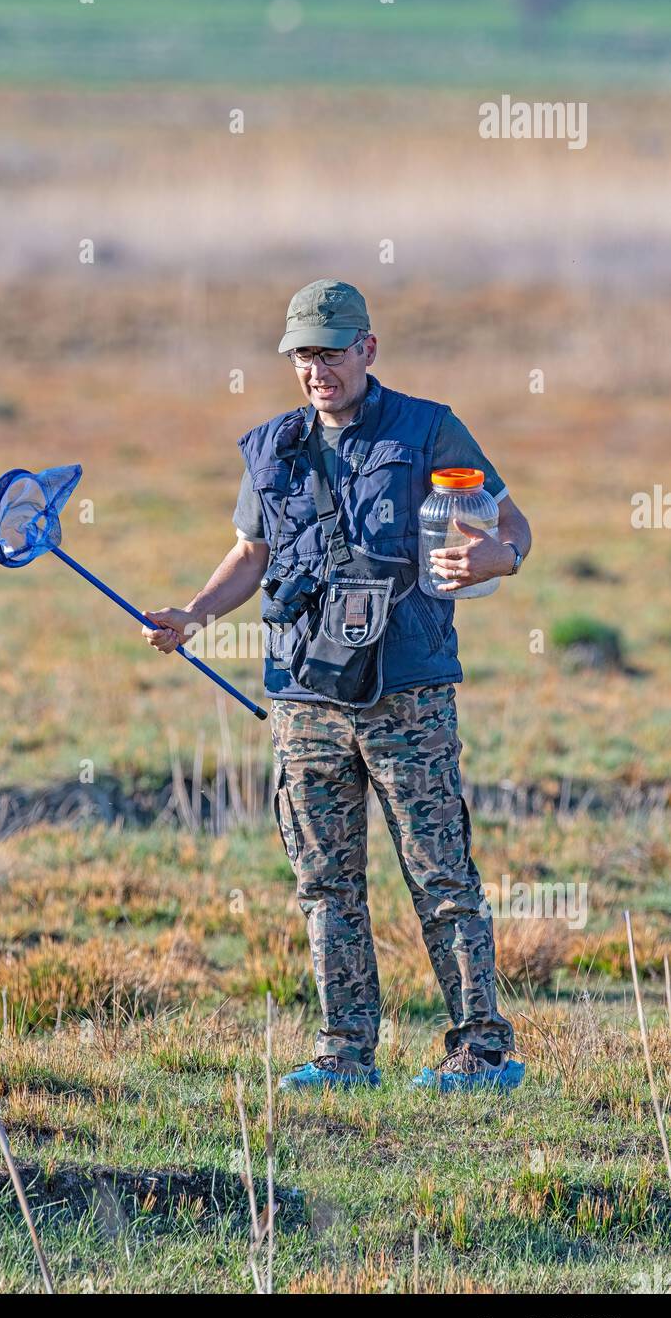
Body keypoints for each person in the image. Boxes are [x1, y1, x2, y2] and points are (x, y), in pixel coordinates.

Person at [141, 279, 531, 1093]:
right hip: (303, 696)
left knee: (439, 871)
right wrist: (194, 614)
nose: (318, 369)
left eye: (331, 350)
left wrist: (499, 556)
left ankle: (483, 1052)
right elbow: (249, 553)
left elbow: (507, 520)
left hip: (407, 691)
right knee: (324, 881)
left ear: (368, 349)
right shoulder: (271, 448)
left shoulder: (429, 429)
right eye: (303, 354)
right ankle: (345, 1053)